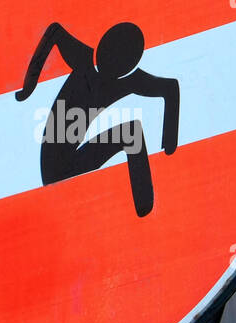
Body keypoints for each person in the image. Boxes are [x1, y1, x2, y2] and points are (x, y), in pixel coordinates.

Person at [15, 21, 179, 217]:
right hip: (54, 168)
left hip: (67, 162)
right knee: (131, 134)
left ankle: (144, 206)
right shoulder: (85, 60)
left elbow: (170, 88)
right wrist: (28, 88)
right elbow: (54, 31)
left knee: (131, 133)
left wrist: (169, 144)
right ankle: (145, 207)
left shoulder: (127, 79)